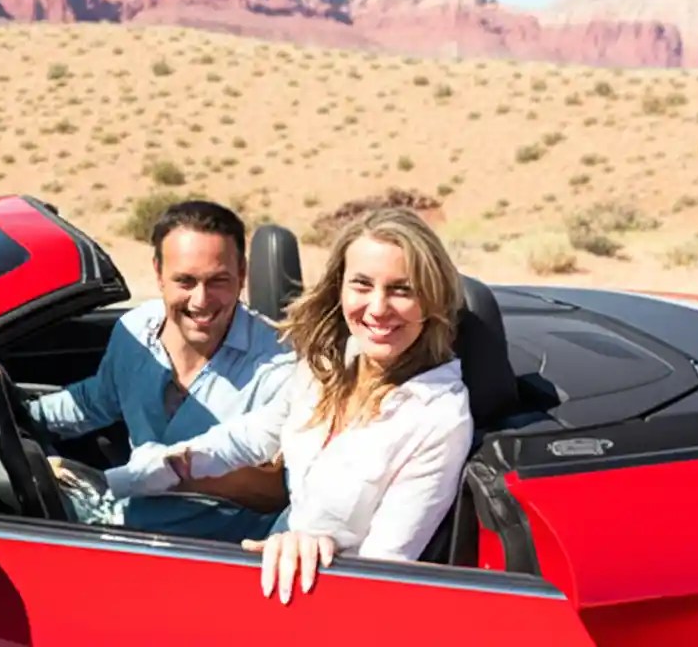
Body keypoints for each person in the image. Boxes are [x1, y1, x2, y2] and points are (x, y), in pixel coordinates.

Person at [105, 206, 473, 604]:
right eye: (362, 285)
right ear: (339, 288)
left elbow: (384, 569)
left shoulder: (438, 416)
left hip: (324, 595)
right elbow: (250, 437)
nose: (378, 308)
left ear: (431, 298)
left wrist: (313, 546)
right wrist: (153, 471)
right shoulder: (330, 364)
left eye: (402, 289)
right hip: (275, 560)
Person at [28, 199, 296, 542]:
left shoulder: (280, 366)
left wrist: (170, 471)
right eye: (185, 281)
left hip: (219, 555)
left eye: (218, 280)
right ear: (158, 274)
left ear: (242, 275)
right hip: (121, 531)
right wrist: (24, 415)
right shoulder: (134, 332)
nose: (201, 301)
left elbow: (279, 492)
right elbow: (98, 399)